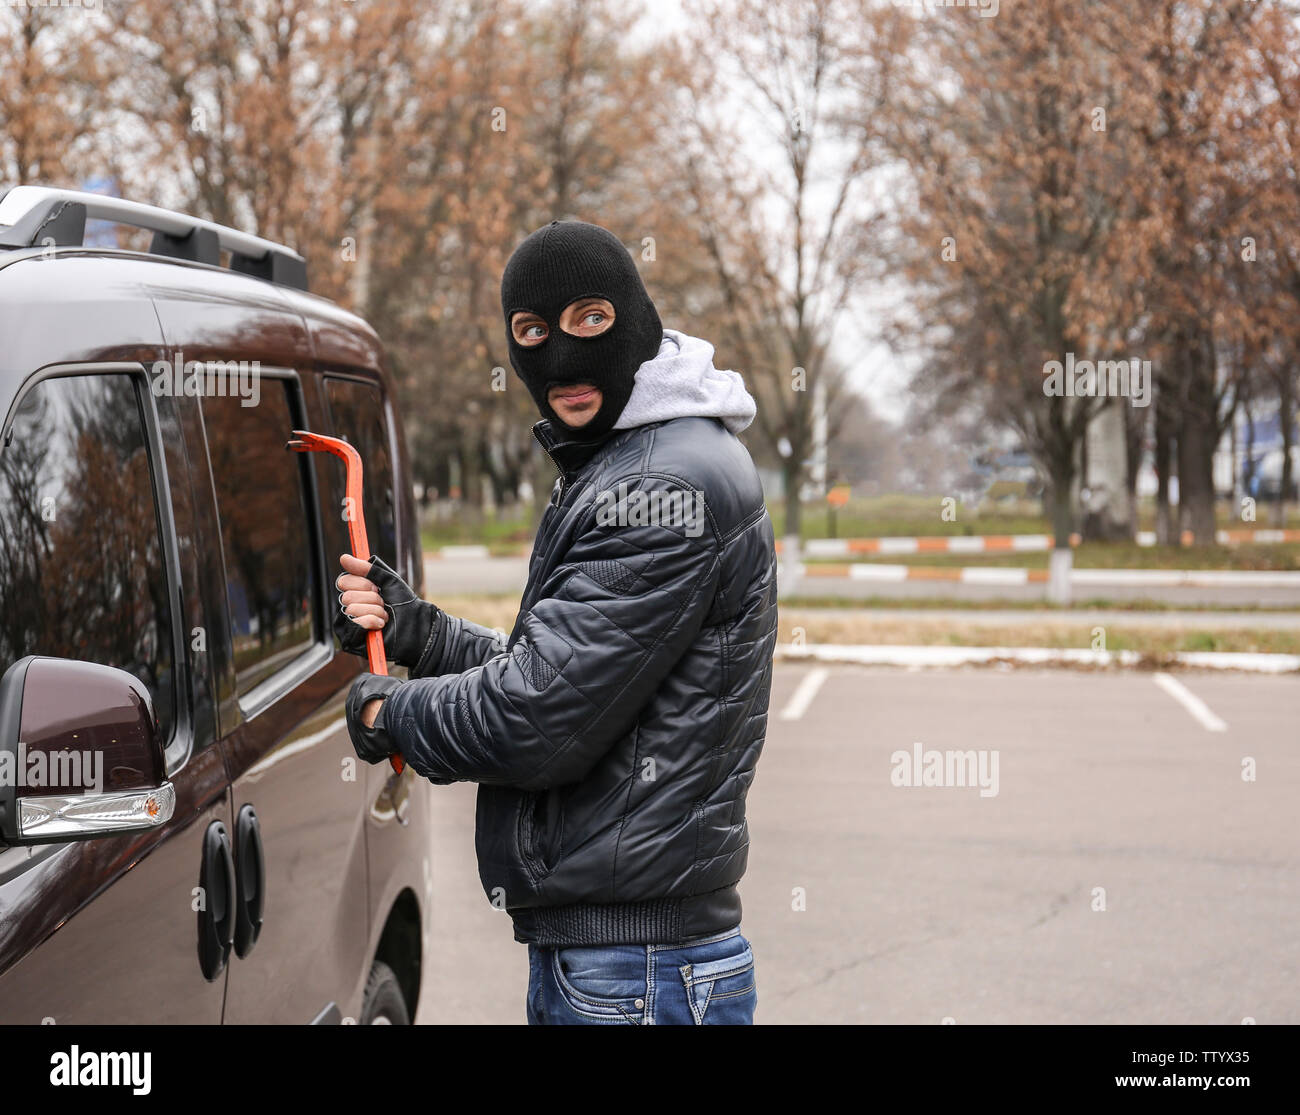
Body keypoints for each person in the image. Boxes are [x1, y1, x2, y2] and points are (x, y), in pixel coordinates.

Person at [337, 219, 777, 1025]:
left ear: (634, 318)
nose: (562, 360)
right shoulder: (647, 455)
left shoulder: (655, 486)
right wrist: (425, 636)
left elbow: (537, 717)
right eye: (533, 332)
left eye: (589, 321)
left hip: (634, 970)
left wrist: (385, 710)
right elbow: (571, 676)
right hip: (634, 960)